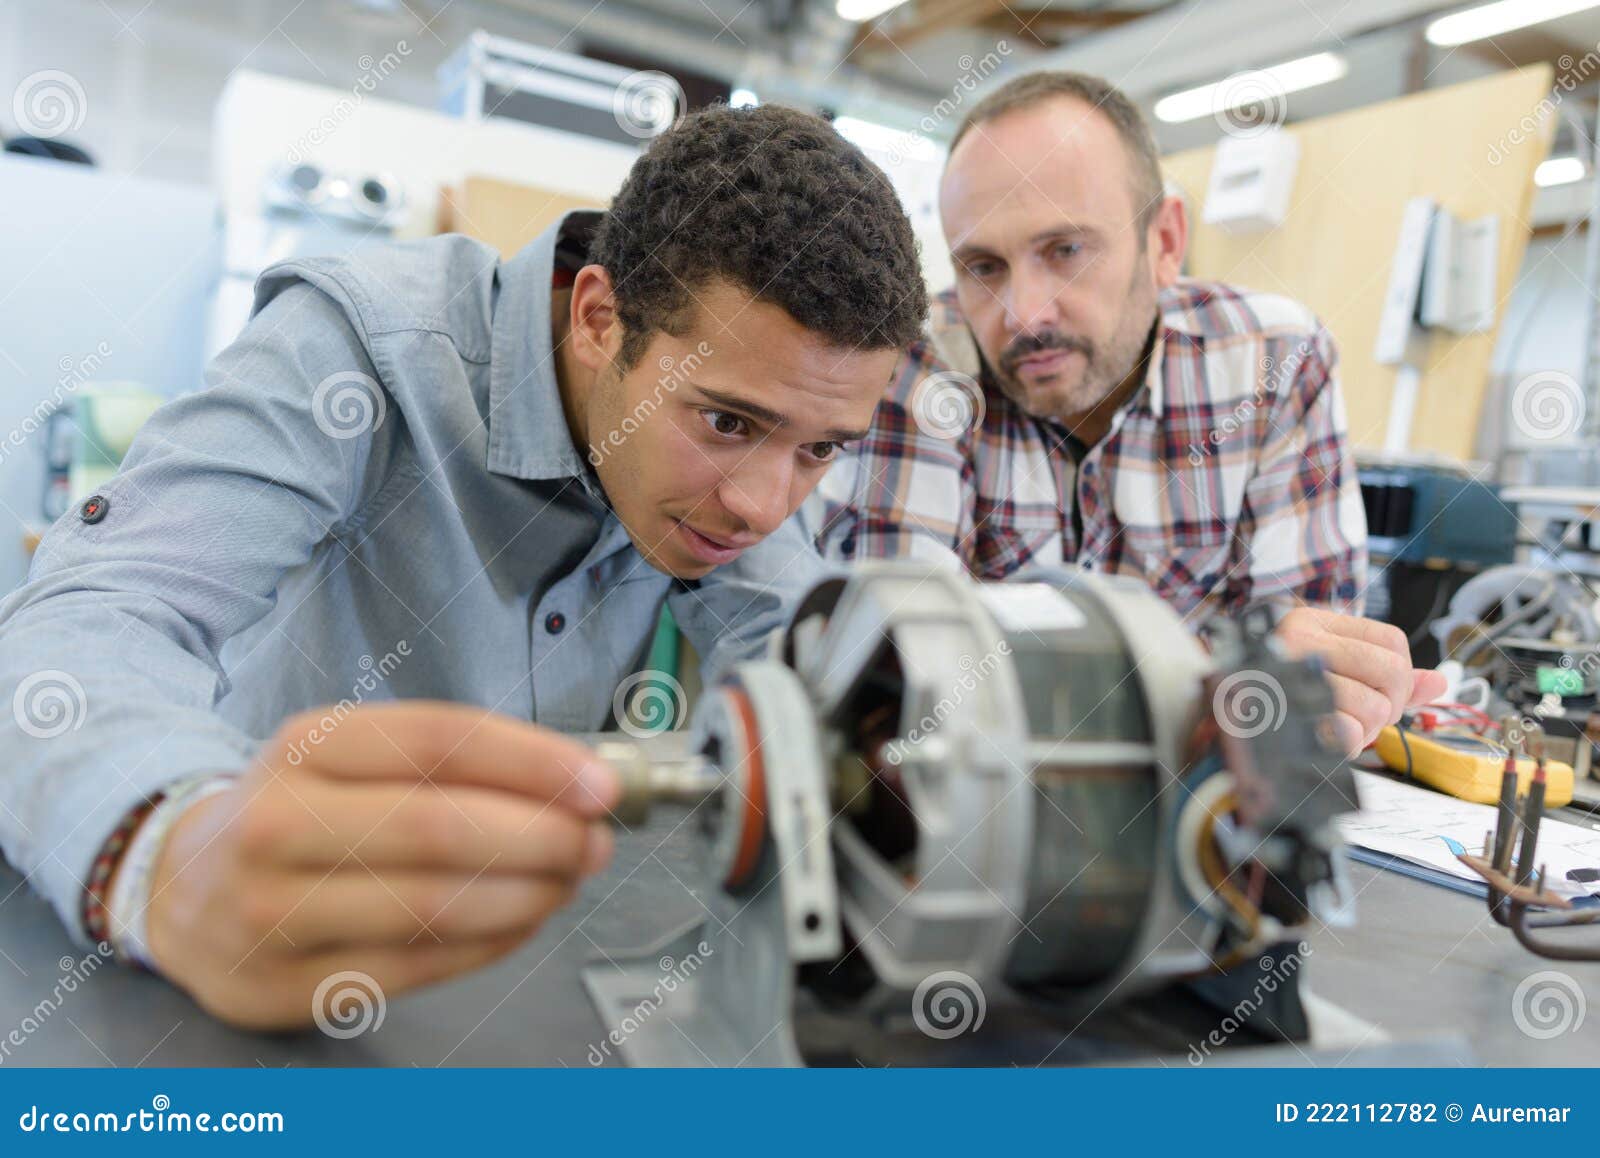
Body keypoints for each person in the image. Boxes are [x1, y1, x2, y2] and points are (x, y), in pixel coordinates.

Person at [0, 103, 926, 1028]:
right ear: (603, 319)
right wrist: (162, 850)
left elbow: (804, 656)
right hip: (245, 959)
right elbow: (96, 615)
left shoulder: (746, 450)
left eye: (821, 452)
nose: (764, 506)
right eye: (728, 424)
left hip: (514, 974)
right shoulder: (365, 346)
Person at [817, 71, 1446, 753]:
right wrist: (1219, 682)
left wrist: (1307, 686)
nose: (1023, 314)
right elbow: (902, 674)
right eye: (985, 267)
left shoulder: (1275, 362)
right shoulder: (921, 367)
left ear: (1166, 243)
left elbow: (1305, 688)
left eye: (1066, 251)